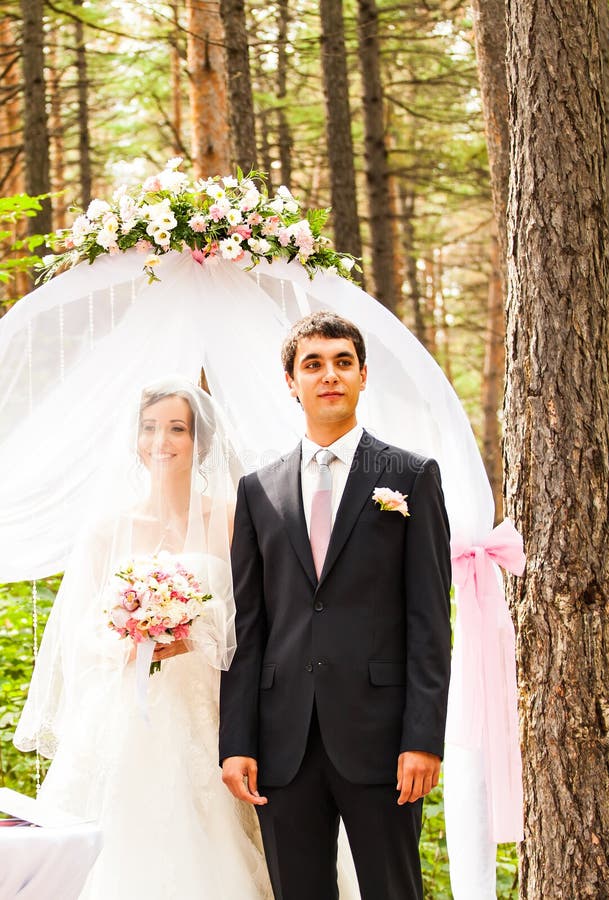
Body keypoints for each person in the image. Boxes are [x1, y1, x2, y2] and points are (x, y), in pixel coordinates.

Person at [219, 312, 452, 900]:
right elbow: (250, 627)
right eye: (313, 364)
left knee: (393, 890)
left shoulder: (410, 475)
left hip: (381, 737)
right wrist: (237, 741)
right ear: (291, 382)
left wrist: (423, 737)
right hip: (282, 741)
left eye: (343, 362)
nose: (329, 375)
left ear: (364, 376)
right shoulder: (257, 489)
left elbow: (429, 621)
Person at [14, 377, 273, 900]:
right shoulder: (109, 526)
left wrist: (196, 637)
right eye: (150, 429)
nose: (161, 441)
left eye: (177, 428)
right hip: (127, 711)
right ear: (135, 439)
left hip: (212, 704)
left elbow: (255, 615)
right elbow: (81, 630)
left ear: (200, 441)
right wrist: (130, 643)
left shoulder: (230, 517)